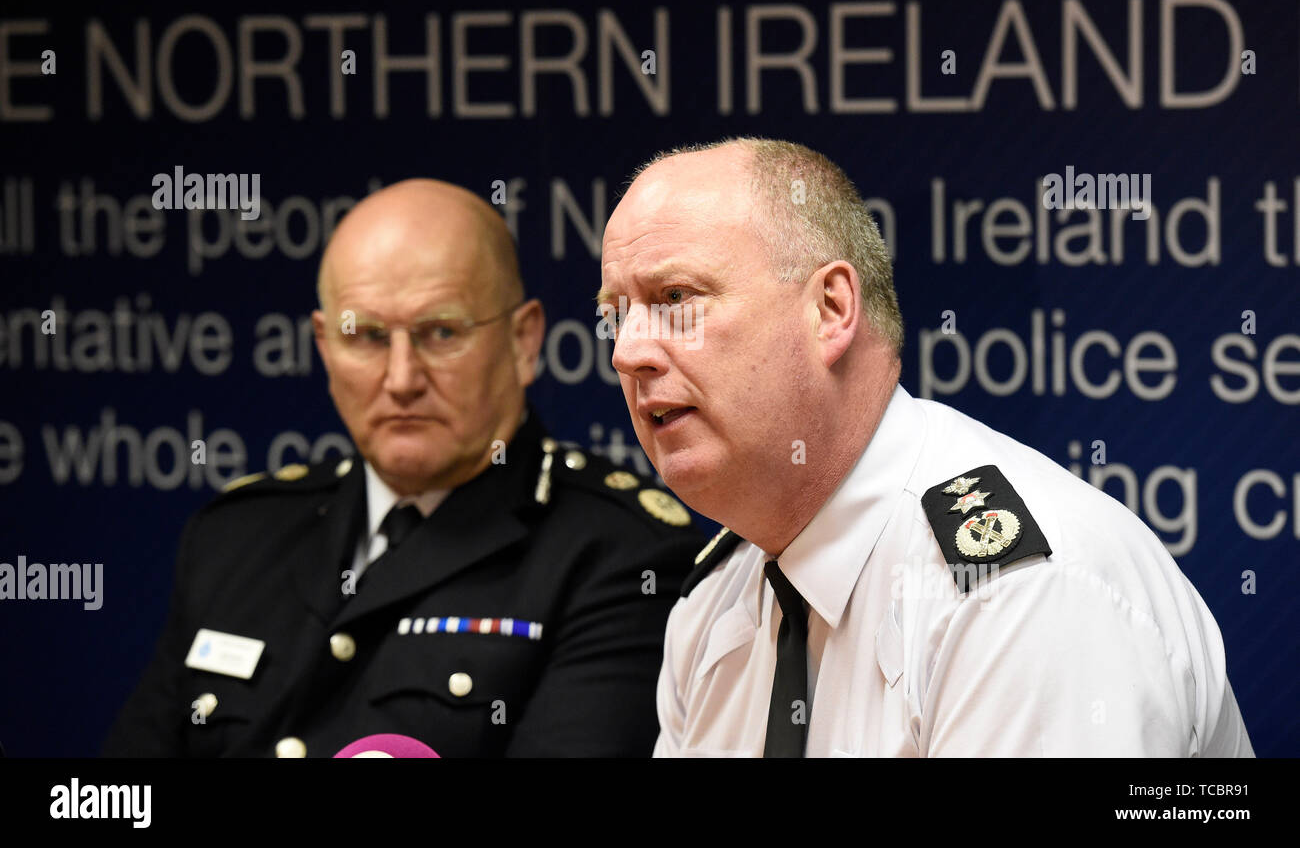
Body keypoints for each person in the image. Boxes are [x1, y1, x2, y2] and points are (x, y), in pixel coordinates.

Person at [598, 138, 1254, 757]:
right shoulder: (714, 603)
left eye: (676, 299)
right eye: (615, 314)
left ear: (828, 308)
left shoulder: (1018, 592)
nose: (627, 351)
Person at [105, 178, 700, 758]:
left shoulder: (618, 553)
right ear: (323, 347)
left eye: (440, 333)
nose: (400, 379)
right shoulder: (237, 536)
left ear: (523, 341)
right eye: (363, 336)